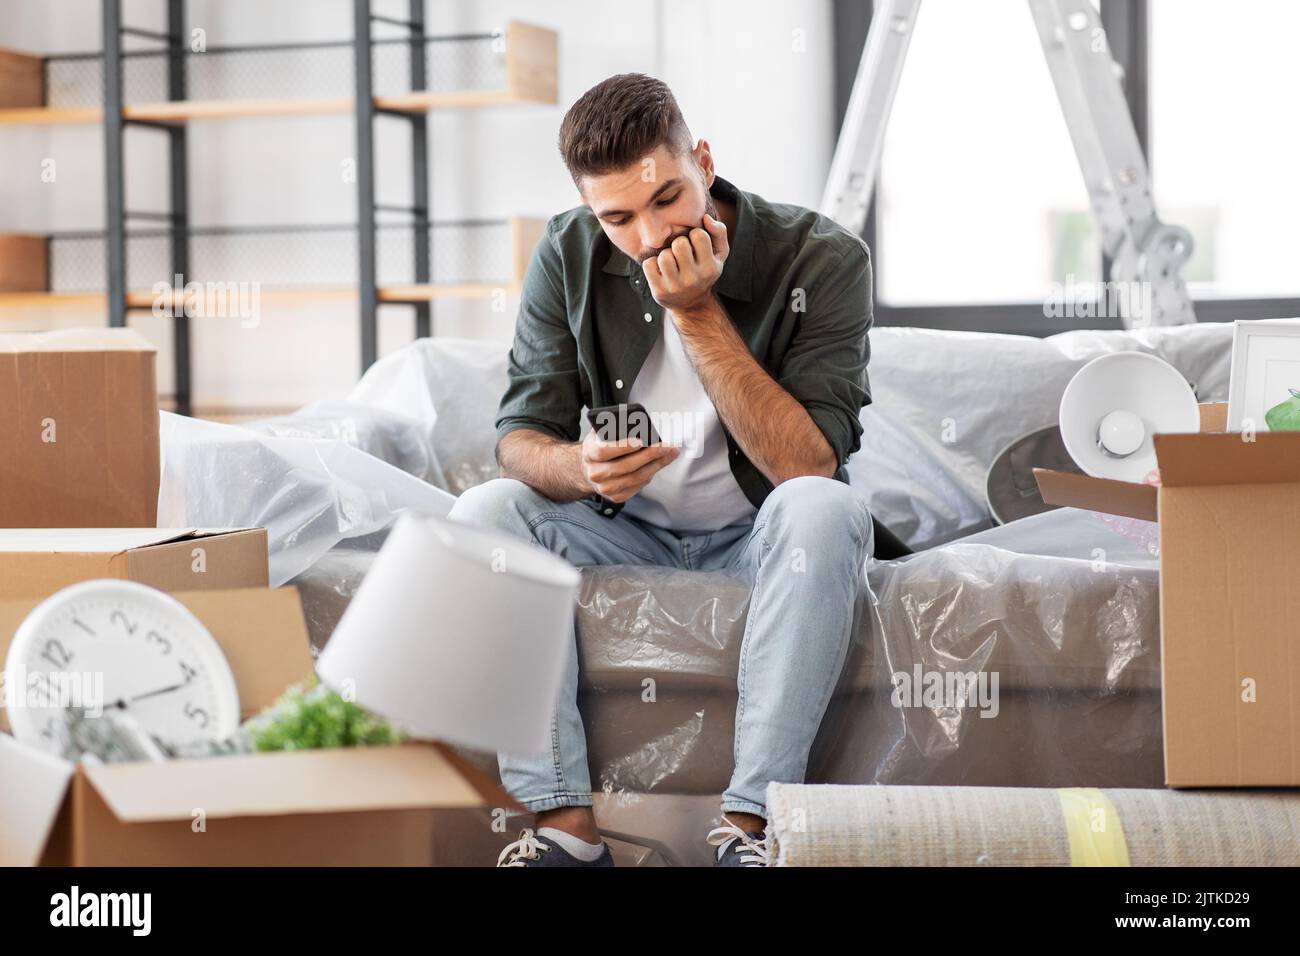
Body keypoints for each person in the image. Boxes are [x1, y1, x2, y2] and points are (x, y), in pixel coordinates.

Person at [449, 72, 889, 868]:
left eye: (665, 200)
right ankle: (566, 833)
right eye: (616, 217)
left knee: (824, 510)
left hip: (762, 534)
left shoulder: (822, 259)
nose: (648, 237)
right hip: (624, 530)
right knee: (482, 512)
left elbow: (808, 464)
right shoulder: (568, 252)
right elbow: (520, 436)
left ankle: (750, 833)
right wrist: (580, 469)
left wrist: (695, 311)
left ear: (705, 164)